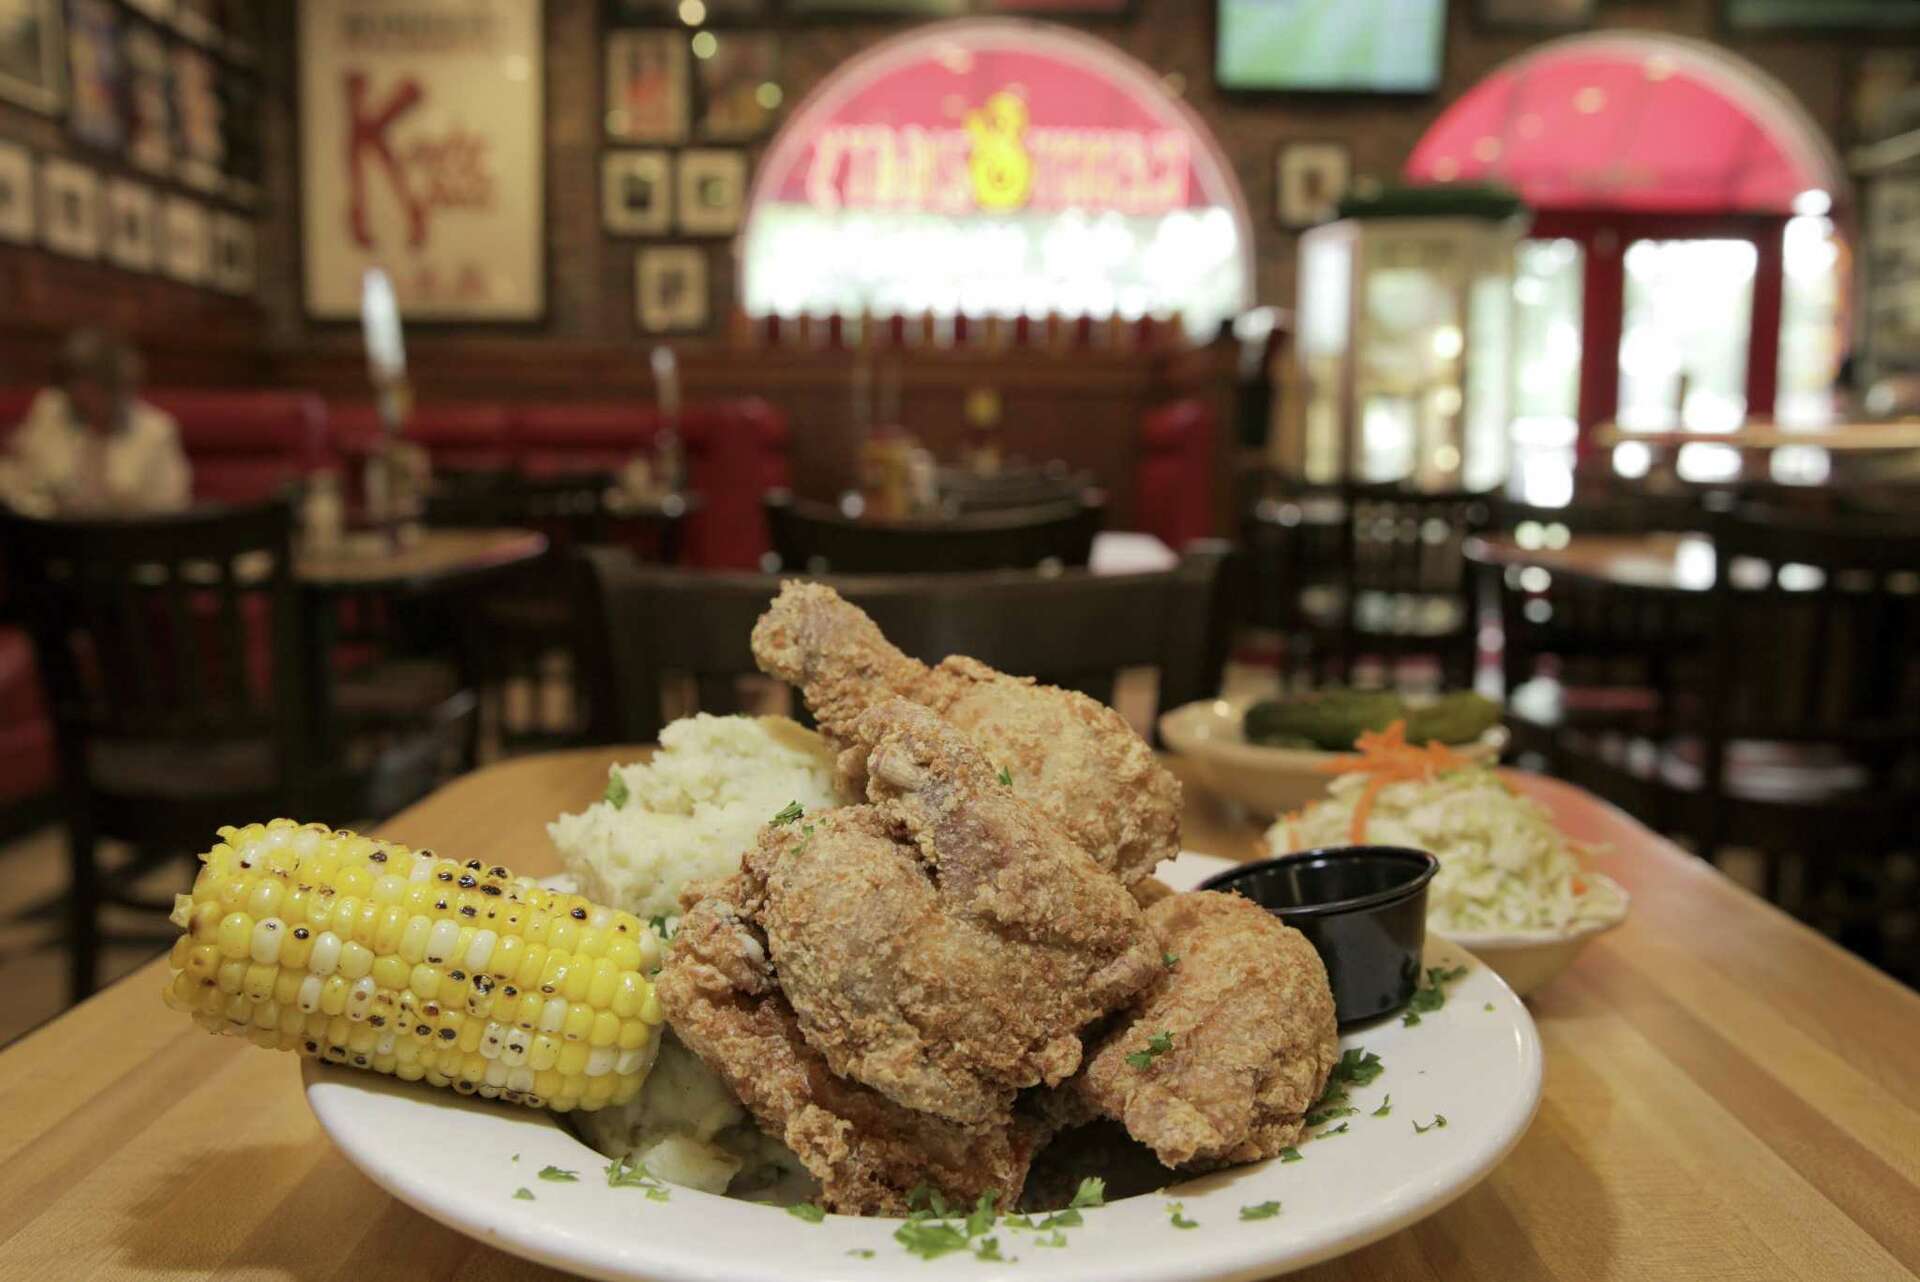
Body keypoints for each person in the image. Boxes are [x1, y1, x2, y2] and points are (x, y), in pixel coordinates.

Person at [0, 329, 191, 517]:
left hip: (125, 539)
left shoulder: (157, 431)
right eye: (74, 383)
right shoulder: (50, 410)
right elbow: (17, 482)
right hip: (51, 535)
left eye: (96, 386)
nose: (82, 396)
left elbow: (169, 508)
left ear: (121, 388)